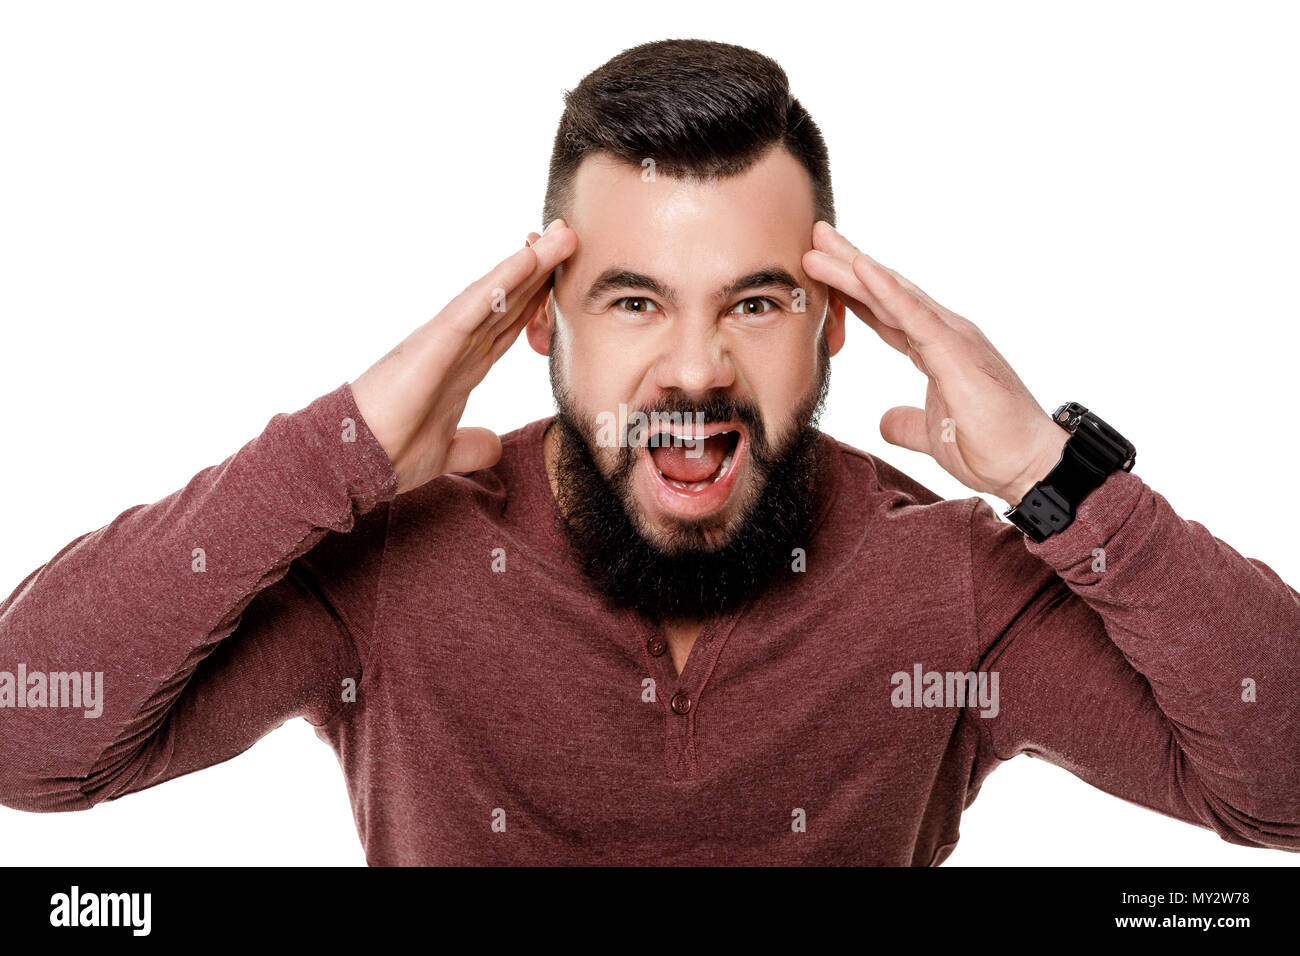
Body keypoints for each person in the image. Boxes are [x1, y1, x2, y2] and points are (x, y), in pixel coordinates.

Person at [1, 38, 1297, 866]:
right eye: (634, 301)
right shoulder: (391, 556)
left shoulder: (949, 581)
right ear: (540, 322)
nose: (693, 368)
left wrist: (1055, 483)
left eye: (753, 300)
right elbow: (29, 734)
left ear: (829, 321)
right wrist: (326, 457)